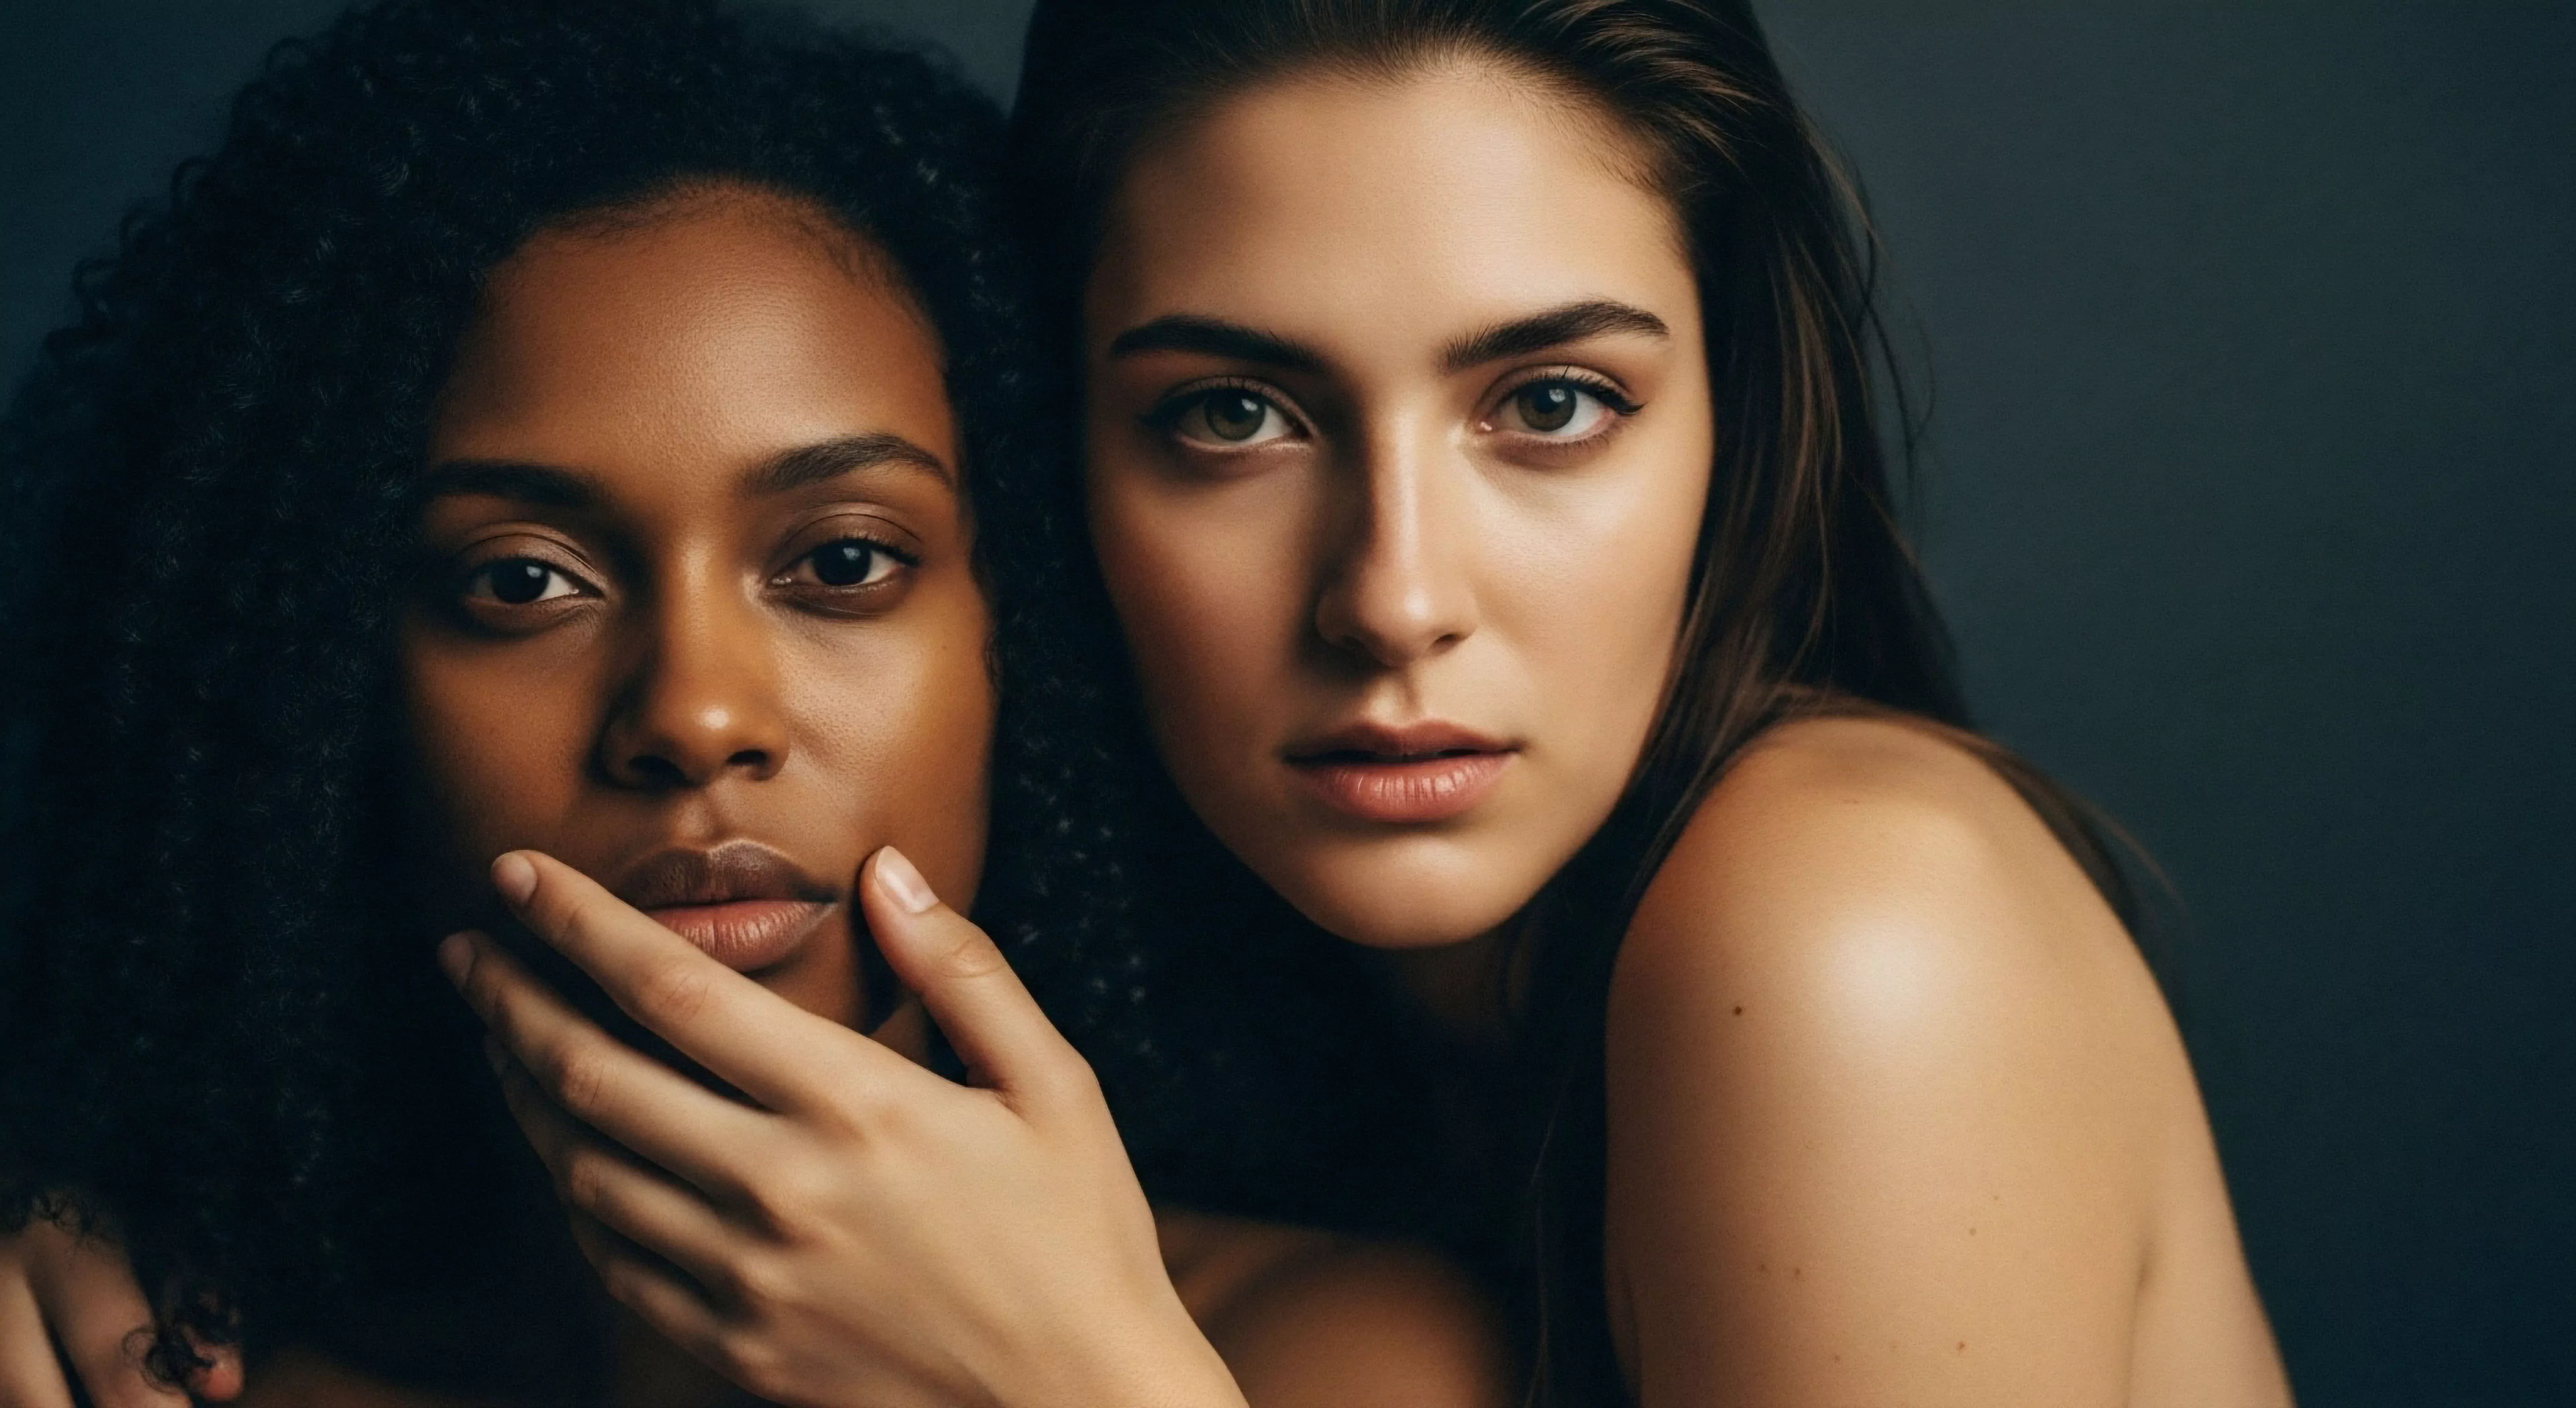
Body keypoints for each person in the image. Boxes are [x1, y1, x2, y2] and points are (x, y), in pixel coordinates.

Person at [408, 1, 2297, 1406]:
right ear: (1048, 462)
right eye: (1232, 417)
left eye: (1550, 404)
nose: (1394, 596)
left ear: (1734, 423)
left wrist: (1088, 1384)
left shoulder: (1848, 928)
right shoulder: (1206, 1000)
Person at [0, 3, 1501, 1404]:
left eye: (845, 561)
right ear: (311, 689)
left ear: (1027, 638)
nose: (698, 718)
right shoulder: (150, 1370)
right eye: (521, 584)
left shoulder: (1334, 1359)